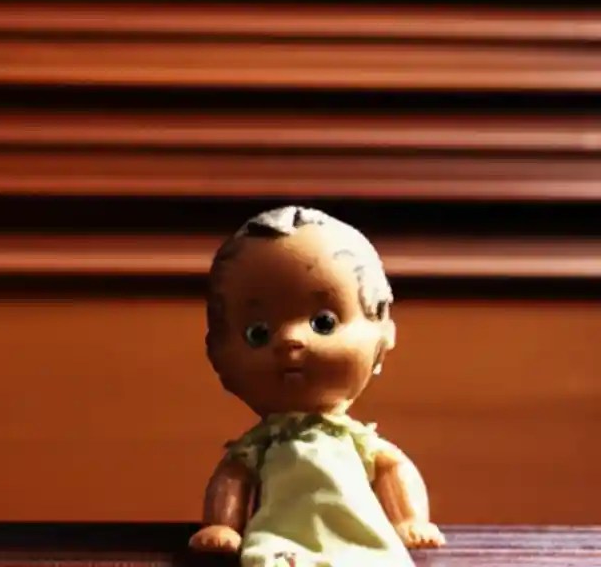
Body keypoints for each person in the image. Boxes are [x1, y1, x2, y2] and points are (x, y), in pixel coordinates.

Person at [189, 206, 444, 567]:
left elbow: (392, 470)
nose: (290, 340)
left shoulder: (357, 442)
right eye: (258, 334)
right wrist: (224, 524)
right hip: (280, 544)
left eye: (324, 323)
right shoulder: (262, 446)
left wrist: (408, 519)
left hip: (364, 542)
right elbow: (233, 478)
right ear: (217, 353)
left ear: (383, 331)